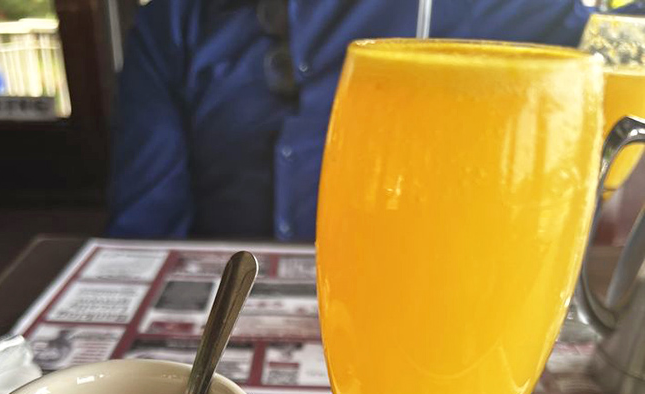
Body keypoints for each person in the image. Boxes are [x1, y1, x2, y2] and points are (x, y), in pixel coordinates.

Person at [108, 0, 611, 243]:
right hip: (219, 326)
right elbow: (143, 228)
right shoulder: (174, 23)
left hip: (422, 315)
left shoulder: (481, 8)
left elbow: (622, 38)